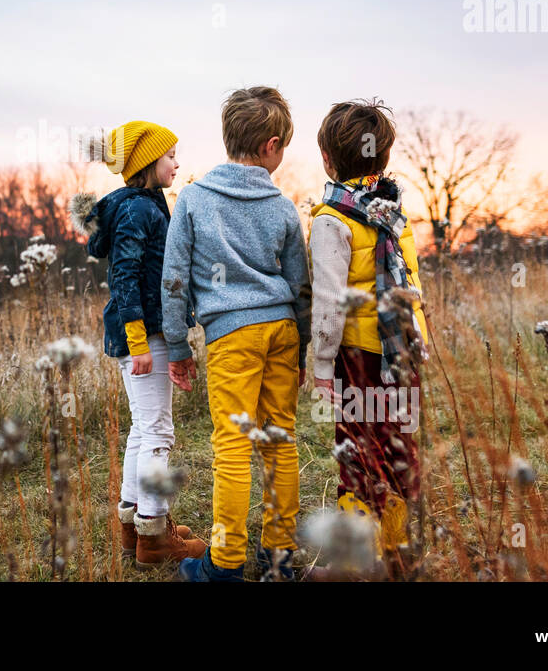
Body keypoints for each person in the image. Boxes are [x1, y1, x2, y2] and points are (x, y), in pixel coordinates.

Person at [160, 87, 311, 582]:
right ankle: (279, 558)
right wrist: (303, 346)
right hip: (282, 330)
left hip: (232, 334)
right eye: (284, 146)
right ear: (271, 145)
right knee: (279, 441)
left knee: (232, 447)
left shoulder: (194, 199)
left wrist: (177, 343)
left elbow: (175, 277)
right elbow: (299, 284)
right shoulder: (283, 207)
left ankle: (224, 564)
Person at [74, 120, 206, 568]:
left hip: (141, 333)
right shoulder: (140, 211)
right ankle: (154, 532)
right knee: (157, 433)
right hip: (144, 334)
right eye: (171, 155)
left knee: (141, 428)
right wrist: (140, 342)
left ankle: (135, 527)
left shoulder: (142, 204)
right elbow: (124, 276)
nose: (177, 162)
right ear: (149, 161)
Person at [309, 99, 429, 576]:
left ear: (328, 160)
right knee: (397, 446)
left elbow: (329, 303)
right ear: (382, 158)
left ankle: (357, 563)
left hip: (358, 357)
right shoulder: (395, 214)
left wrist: (320, 365)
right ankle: (397, 550)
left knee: (357, 451)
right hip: (402, 353)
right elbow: (412, 287)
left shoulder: (331, 218)